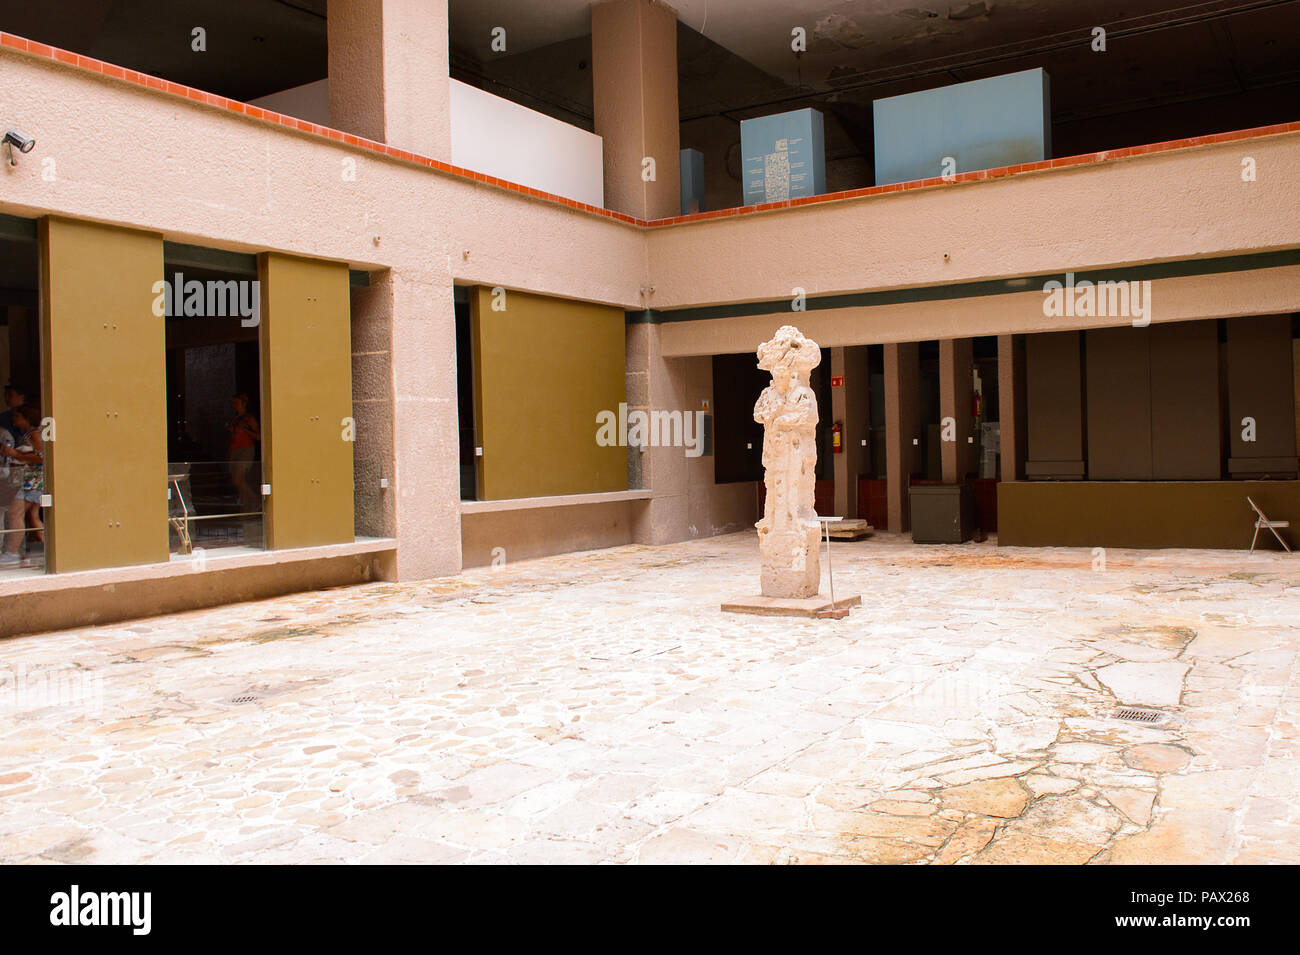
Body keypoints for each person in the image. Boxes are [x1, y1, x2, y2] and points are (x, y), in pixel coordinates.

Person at [0, 404, 44, 564]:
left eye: (16, 417)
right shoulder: (27, 434)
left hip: (31, 482)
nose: (13, 420)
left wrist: (16, 454)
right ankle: (53, 550)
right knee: (32, 517)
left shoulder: (34, 435)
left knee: (14, 513)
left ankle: (12, 552)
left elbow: (41, 457)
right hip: (29, 481)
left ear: (26, 418)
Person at [227, 394, 261, 514]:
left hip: (245, 449)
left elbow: (259, 436)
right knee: (236, 480)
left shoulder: (249, 418)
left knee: (238, 479)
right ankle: (247, 505)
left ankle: (255, 500)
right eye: (234, 402)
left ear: (244, 404)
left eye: (237, 402)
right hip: (235, 450)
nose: (235, 405)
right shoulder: (235, 419)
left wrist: (246, 430)